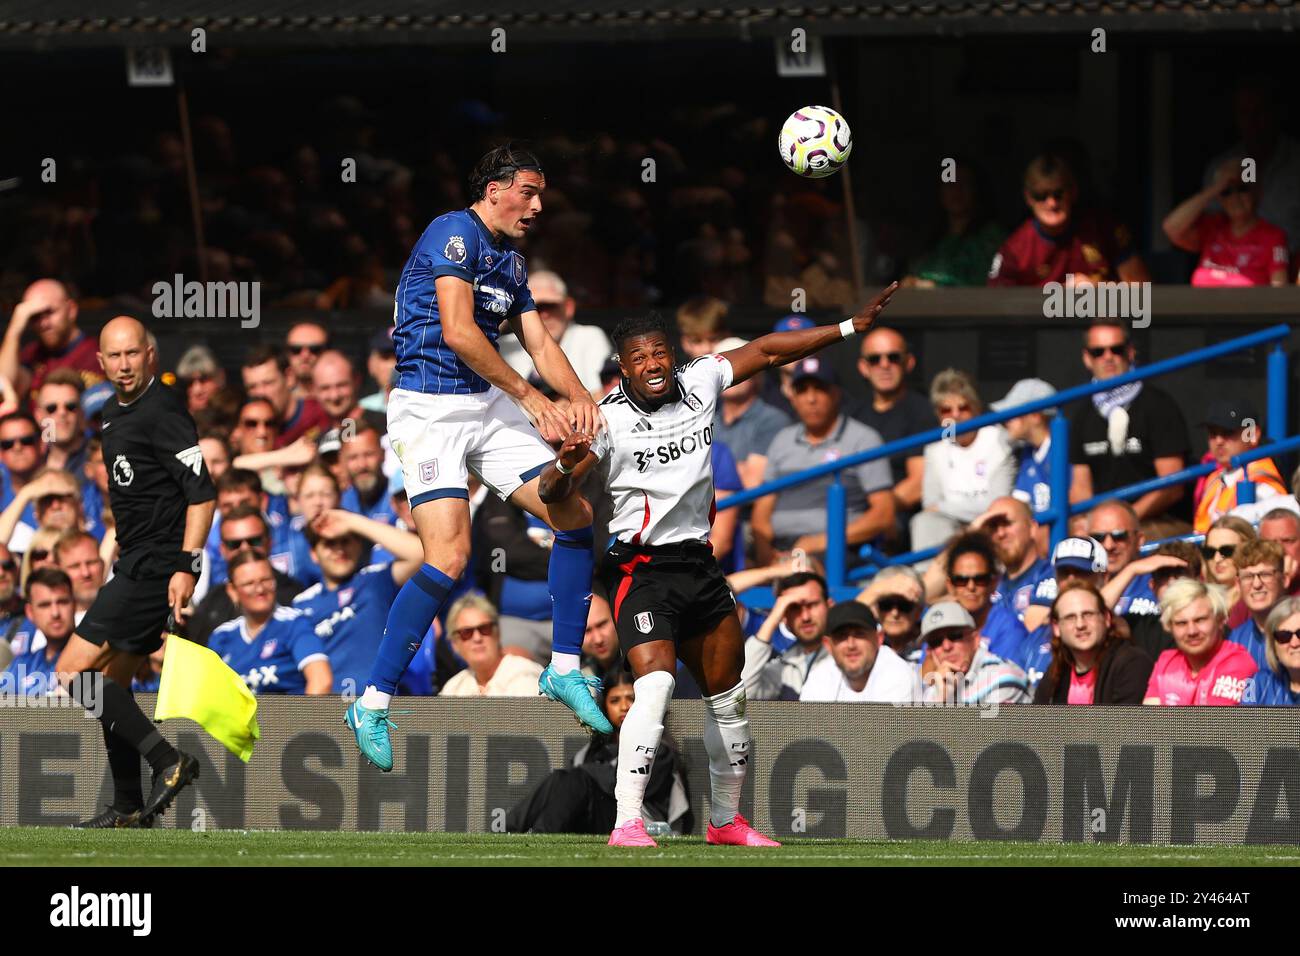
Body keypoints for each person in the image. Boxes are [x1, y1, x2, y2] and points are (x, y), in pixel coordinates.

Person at [538, 283, 899, 848]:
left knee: (729, 701)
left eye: (659, 352)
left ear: (671, 354)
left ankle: (725, 821)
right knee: (654, 686)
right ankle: (628, 822)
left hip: (701, 567)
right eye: (639, 358)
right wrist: (562, 465)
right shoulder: (605, 421)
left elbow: (771, 351)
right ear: (623, 370)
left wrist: (849, 327)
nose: (653, 364)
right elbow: (552, 489)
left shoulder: (701, 380)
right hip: (641, 570)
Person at [345, 144, 607, 770]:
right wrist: (535, 400)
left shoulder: (512, 262)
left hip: (483, 403)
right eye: (529, 191)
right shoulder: (453, 232)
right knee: (451, 557)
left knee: (572, 517)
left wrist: (580, 399)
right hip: (429, 411)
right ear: (493, 189)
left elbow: (539, 339)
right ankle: (374, 702)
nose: (538, 206)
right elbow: (460, 332)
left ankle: (564, 669)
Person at [55, 316, 216, 829]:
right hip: (134, 560)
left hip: (154, 566)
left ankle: (167, 761)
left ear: (151, 355)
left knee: (71, 672)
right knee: (110, 684)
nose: (124, 366)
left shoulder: (163, 410)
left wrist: (185, 565)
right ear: (100, 363)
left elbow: (202, 494)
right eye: (114, 357)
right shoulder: (107, 411)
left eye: (132, 354)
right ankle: (127, 805)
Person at [751, 357, 894, 565]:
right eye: (802, 390)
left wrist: (820, 542)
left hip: (834, 549)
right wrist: (764, 551)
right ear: (792, 396)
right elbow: (762, 507)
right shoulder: (782, 439)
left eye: (820, 389)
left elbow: (884, 514)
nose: (811, 398)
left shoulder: (864, 439)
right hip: (780, 548)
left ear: (836, 394)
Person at [505, 671, 689, 835]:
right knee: (560, 778)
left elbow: (616, 784)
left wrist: (585, 774)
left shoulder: (658, 750)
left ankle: (541, 835)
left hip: (639, 824)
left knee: (578, 779)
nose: (624, 706)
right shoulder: (592, 752)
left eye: (631, 698)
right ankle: (509, 830)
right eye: (615, 700)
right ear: (605, 708)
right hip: (594, 820)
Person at [293, 508, 427, 696]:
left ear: (358, 545)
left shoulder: (376, 581)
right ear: (314, 553)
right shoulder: (301, 605)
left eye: (346, 540)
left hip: (379, 707)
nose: (339, 550)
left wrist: (352, 521)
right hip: (326, 710)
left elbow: (421, 555)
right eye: (330, 543)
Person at [1067, 321, 1189, 522]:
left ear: (1130, 352)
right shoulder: (1083, 414)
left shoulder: (1158, 405)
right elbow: (1081, 488)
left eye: (1117, 350)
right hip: (1104, 526)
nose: (1108, 357)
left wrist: (1125, 522)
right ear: (1087, 359)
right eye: (1098, 352)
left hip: (1156, 521)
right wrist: (1090, 524)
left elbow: (1172, 485)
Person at [988, 153, 1150, 286]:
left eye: (1058, 194)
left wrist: (1099, 289)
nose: (1051, 203)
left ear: (1073, 192)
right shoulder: (1015, 248)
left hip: (1100, 319)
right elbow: (996, 305)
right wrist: (1056, 296)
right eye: (1041, 196)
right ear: (1028, 198)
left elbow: (1144, 291)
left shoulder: (1104, 227)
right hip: (1040, 323)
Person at [911, 369, 1015, 552]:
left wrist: (944, 507)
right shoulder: (935, 449)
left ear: (976, 408)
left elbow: (997, 506)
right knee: (923, 522)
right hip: (950, 529)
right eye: (946, 410)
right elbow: (929, 505)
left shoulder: (998, 441)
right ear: (938, 415)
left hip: (991, 526)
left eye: (963, 407)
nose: (955, 415)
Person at [208, 549, 331, 695]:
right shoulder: (222, 636)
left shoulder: (293, 623)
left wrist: (301, 718)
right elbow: (209, 694)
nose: (260, 589)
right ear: (232, 591)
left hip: (287, 715)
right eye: (249, 583)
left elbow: (321, 682)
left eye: (266, 580)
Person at [1163, 157, 1289, 287]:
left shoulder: (1272, 236)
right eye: (1226, 192)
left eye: (1242, 188)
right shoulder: (1212, 227)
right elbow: (1171, 228)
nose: (1235, 198)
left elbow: (1279, 291)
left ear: (1257, 193)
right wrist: (1215, 188)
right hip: (1202, 306)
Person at [187, 504, 304, 643]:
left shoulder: (295, 596)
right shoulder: (211, 602)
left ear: (269, 543)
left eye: (254, 541)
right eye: (234, 544)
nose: (245, 548)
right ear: (223, 550)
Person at [1033, 580, 1154, 705]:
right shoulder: (1057, 672)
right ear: (1056, 627)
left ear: (1106, 618)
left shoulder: (1133, 663)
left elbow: (1125, 723)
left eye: (1088, 614)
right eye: (1070, 617)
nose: (1080, 624)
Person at [499, 270, 614, 396]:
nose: (545, 315)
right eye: (535, 308)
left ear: (568, 307)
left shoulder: (589, 337)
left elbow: (602, 397)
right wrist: (505, 314)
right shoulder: (507, 345)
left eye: (550, 306)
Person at [1144, 578, 1257, 706]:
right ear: (1169, 627)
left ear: (1220, 620)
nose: (1192, 631)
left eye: (1200, 620)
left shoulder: (1240, 664)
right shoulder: (1166, 662)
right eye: (1181, 623)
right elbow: (1149, 722)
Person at [902, 160, 1005, 287]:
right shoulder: (929, 240)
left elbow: (988, 283)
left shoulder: (991, 237)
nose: (956, 190)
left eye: (964, 183)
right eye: (950, 183)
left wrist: (936, 286)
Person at [0, 280, 104, 406]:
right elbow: (3, 389)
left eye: (49, 312)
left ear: (71, 310)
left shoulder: (99, 351)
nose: (43, 323)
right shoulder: (32, 355)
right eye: (35, 317)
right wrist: (15, 328)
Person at [800, 601, 921, 703]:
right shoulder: (820, 676)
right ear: (828, 645)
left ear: (879, 638)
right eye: (842, 636)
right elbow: (807, 728)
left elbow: (882, 730)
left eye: (860, 634)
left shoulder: (899, 674)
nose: (851, 645)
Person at [1193, 399, 1286, 532]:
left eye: (1228, 432)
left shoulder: (1262, 484)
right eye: (1213, 434)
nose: (1219, 441)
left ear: (1252, 434)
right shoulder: (1214, 478)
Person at [713, 335, 792, 489]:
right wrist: (738, 467)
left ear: (756, 373)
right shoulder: (706, 422)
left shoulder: (773, 420)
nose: (731, 375)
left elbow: (752, 482)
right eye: (722, 369)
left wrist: (712, 469)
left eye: (737, 366)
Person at [741, 571, 833, 700]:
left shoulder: (851, 652)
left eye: (812, 605)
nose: (805, 617)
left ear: (829, 605)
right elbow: (741, 697)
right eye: (794, 608)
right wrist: (772, 619)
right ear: (784, 616)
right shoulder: (784, 668)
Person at [919, 601, 1031, 705]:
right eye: (936, 642)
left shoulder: (1002, 676)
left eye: (955, 636)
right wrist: (941, 699)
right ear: (930, 652)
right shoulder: (936, 688)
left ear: (975, 639)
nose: (947, 647)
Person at [438, 594, 543, 696]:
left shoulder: (524, 675)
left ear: (497, 633)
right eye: (466, 632)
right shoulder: (454, 688)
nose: (477, 638)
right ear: (454, 644)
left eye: (484, 629)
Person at [1115, 540, 1202, 660]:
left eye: (1180, 574)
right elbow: (1094, 611)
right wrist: (1132, 569)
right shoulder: (1140, 627)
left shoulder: (1214, 625)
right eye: (1164, 574)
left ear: (1199, 582)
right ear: (1152, 586)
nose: (1172, 583)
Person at [1, 567, 77, 696]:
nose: (55, 613)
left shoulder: (90, 659)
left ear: (74, 604)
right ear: (30, 612)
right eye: (45, 605)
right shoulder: (21, 664)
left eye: (62, 602)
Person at [971, 495, 1049, 622]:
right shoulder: (987, 585)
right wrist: (972, 532)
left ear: (1032, 528)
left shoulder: (1050, 576)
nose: (1000, 533)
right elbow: (931, 593)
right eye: (993, 527)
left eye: (1007, 523)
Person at [240, 345, 331, 449]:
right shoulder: (245, 427)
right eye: (252, 387)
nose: (260, 393)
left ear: (289, 378)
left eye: (268, 383)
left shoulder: (319, 414)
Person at [993, 378, 1058, 522]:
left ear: (1035, 416)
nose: (1006, 420)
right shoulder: (1028, 453)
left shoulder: (1062, 450)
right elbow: (1019, 503)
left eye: (1013, 413)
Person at [1226, 540, 1286, 671]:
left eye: (1265, 574)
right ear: (1238, 584)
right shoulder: (1235, 640)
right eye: (1248, 576)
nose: (1257, 584)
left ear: (1284, 579)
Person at [856, 564, 925, 661]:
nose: (894, 613)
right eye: (886, 604)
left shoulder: (935, 643)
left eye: (904, 605)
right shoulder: (864, 641)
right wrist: (879, 590)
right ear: (875, 608)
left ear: (919, 610)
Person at [1244, 598, 1300, 706]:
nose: (1294, 643)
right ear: (1273, 647)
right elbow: (1243, 721)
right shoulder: (1255, 683)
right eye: (1283, 636)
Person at [35, 369, 92, 477]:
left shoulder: (100, 460)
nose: (62, 413)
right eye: (51, 408)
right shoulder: (29, 462)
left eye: (70, 407)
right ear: (39, 416)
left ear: (81, 413)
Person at [53, 529, 105, 618]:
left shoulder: (129, 612)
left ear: (102, 564)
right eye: (75, 566)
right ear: (59, 572)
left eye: (91, 562)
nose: (86, 573)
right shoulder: (44, 626)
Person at [285, 321, 330, 400]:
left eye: (314, 349)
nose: (305, 356)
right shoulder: (275, 406)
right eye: (296, 349)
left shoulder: (346, 400)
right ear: (288, 353)